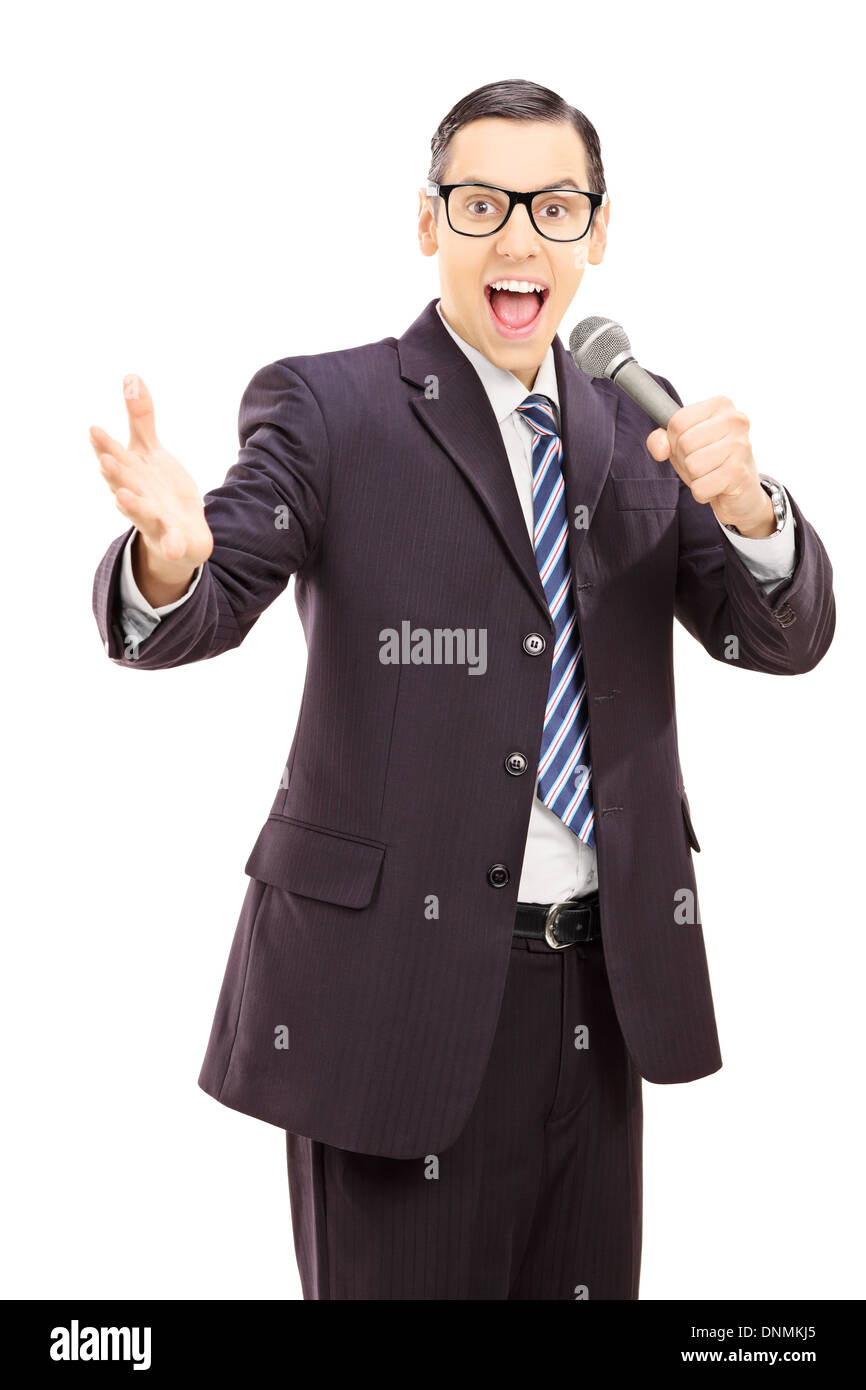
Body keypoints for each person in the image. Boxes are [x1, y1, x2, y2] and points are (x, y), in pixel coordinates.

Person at [90, 79, 836, 1300]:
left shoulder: (638, 434)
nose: (518, 236)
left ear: (596, 232)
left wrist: (752, 513)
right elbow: (207, 598)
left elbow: (785, 638)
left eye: (553, 206)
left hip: (599, 994)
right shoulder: (328, 407)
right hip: (389, 1000)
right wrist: (169, 560)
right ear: (428, 222)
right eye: (481, 201)